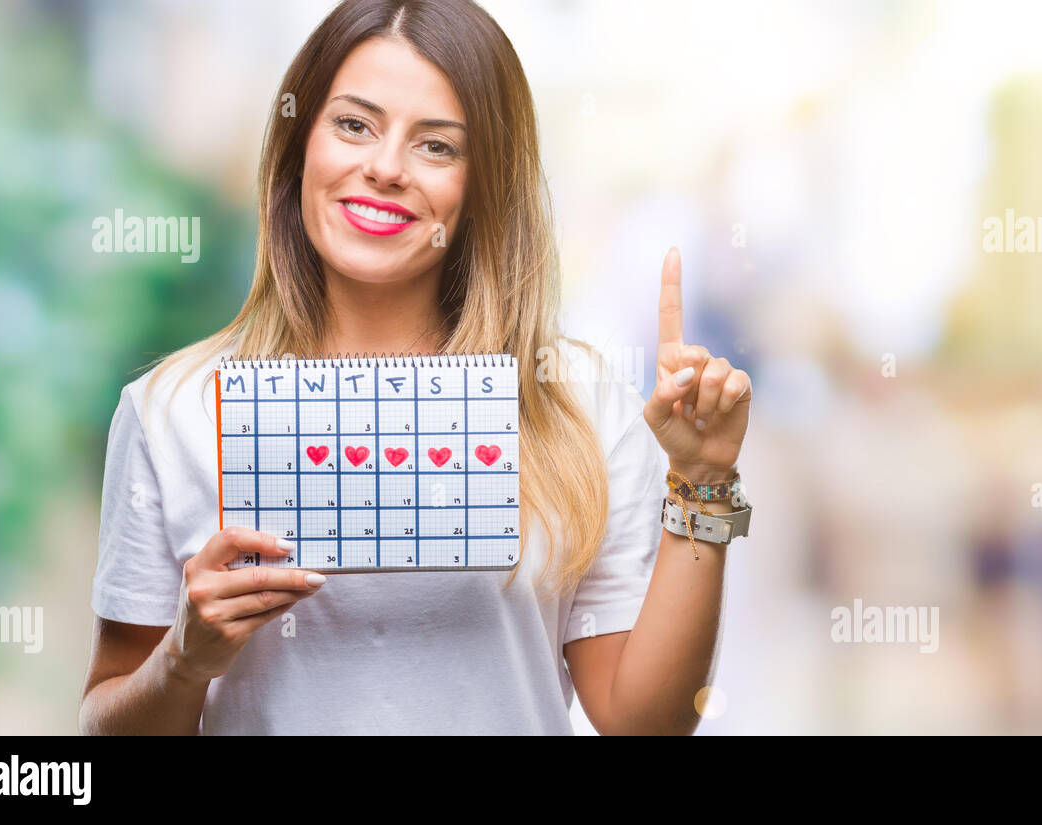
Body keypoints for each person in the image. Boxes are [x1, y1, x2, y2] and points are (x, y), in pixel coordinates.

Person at [79, 0, 751, 735]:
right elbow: (105, 725)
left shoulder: (577, 404)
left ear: (481, 185)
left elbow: (642, 723)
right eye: (354, 125)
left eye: (437, 146)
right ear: (300, 142)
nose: (385, 168)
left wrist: (705, 480)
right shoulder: (169, 410)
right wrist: (185, 656)